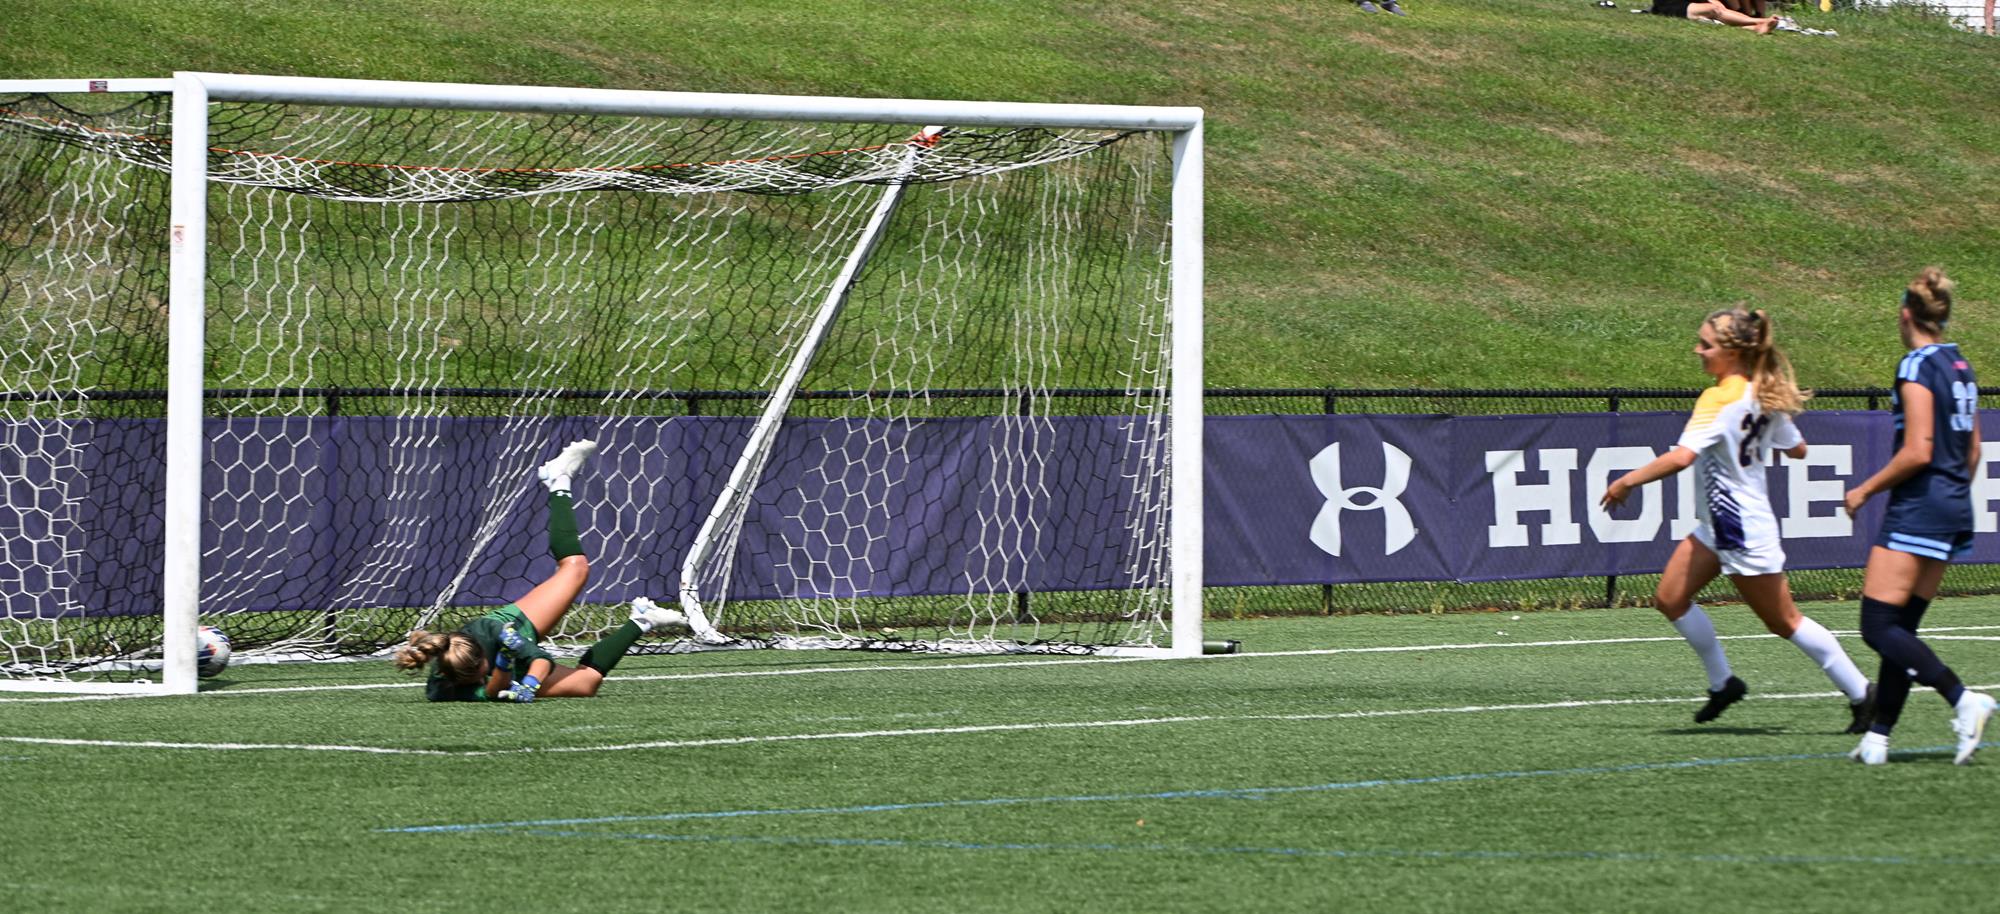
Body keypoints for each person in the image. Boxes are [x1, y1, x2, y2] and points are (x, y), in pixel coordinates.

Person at [1602, 308, 1875, 730]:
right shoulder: (1760, 394)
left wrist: (1626, 482)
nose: (1698, 350)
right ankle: (1723, 683)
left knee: (1784, 621)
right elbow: (1798, 449)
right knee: (1670, 598)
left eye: (1706, 344)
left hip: (1741, 528)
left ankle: (1862, 693)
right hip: (1717, 525)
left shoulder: (1720, 397)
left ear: (1731, 352)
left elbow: (1681, 457)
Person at [393, 439, 690, 702]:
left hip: (514, 628)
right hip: (507, 661)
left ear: (480, 657)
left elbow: (540, 659)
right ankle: (643, 620)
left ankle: (558, 480)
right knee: (586, 685)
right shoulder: (444, 690)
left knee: (576, 568)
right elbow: (493, 691)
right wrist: (508, 670)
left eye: (482, 669)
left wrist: (527, 679)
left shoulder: (494, 633)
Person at [1842, 268, 1997, 765]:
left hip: (1920, 506)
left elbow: (1917, 450)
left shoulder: (1915, 366)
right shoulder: (1959, 365)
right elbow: (1972, 450)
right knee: (1900, 629)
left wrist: (1864, 490)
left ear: (1905, 314)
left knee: (1877, 626)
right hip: (1953, 505)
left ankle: (1963, 698)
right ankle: (1878, 738)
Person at [1647, 1, 1778, 33]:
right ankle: (1761, 21)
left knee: (1718, 10)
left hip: (1689, 3)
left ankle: (1757, 27)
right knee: (1713, 10)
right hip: (1670, 4)